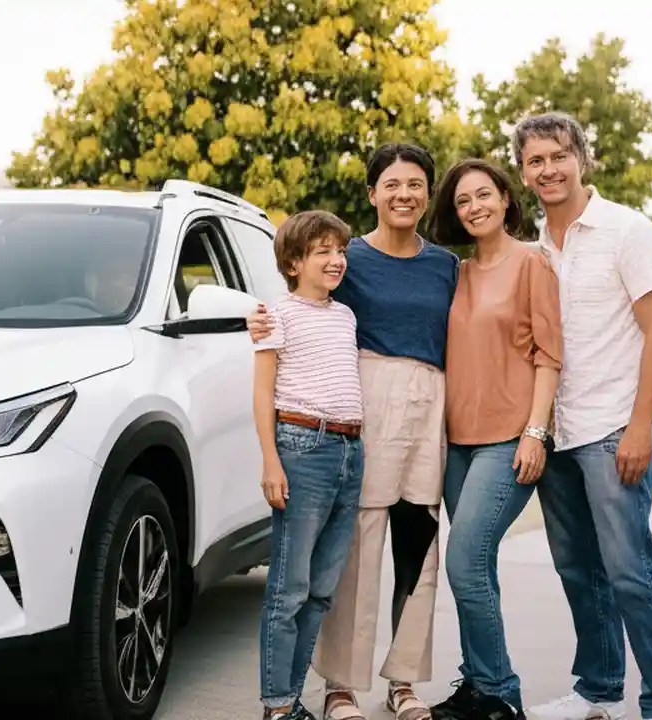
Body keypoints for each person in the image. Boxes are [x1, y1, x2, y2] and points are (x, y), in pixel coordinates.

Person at [249, 143, 459, 720]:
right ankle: (340, 685)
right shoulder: (349, 259)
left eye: (415, 184)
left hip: (427, 408)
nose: (404, 194)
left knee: (419, 545)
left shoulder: (444, 264)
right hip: (361, 407)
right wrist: (258, 318)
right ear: (372, 193)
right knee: (356, 554)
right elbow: (299, 305)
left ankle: (405, 681)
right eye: (392, 184)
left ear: (427, 193)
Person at [510, 112, 652, 720]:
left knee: (631, 572)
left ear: (581, 158)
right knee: (579, 571)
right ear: (524, 172)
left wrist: (640, 425)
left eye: (558, 155)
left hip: (613, 427)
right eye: (535, 160)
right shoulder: (535, 250)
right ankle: (597, 692)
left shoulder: (626, 230)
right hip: (556, 431)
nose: (548, 169)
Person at [423, 159, 563, 720]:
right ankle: (479, 684)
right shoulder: (454, 274)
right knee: (476, 566)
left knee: (463, 560)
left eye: (484, 194)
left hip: (510, 438)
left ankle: (501, 692)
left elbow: (550, 355)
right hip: (457, 442)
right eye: (462, 201)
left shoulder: (534, 263)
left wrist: (536, 431)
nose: (474, 206)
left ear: (506, 199)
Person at [254, 209, 366, 720]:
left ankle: (291, 701)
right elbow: (263, 394)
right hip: (302, 449)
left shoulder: (345, 315)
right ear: (294, 262)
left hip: (349, 450)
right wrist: (271, 462)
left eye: (339, 250)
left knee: (321, 589)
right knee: (289, 588)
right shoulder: (276, 314)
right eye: (322, 251)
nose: (336, 259)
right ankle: (277, 706)